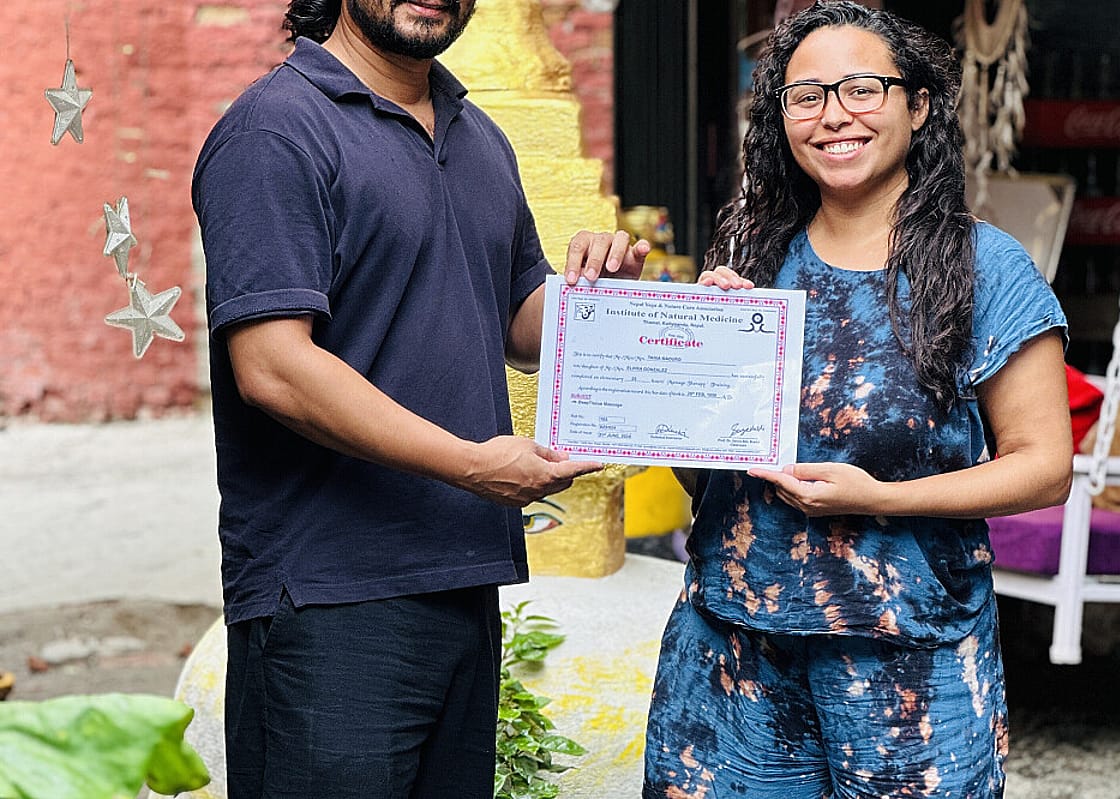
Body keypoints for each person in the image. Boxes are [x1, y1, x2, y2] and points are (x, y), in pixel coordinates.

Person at [191, 1, 648, 797]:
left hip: (463, 576)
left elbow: (515, 321)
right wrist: (471, 465)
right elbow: (272, 366)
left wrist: (595, 300)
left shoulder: (477, 135)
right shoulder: (276, 130)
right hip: (329, 595)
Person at [643, 3, 1073, 798]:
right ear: (782, 119)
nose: (834, 114)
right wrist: (692, 370)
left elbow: (1045, 468)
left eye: (862, 88)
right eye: (806, 95)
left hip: (910, 660)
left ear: (918, 105)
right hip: (733, 651)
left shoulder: (986, 267)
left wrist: (884, 498)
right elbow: (702, 475)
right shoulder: (751, 259)